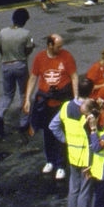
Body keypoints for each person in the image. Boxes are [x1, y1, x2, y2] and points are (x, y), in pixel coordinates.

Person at [50, 74, 95, 207]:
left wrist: (66, 140)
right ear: (90, 92)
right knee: (85, 191)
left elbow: (53, 126)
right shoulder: (89, 110)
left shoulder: (65, 106)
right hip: (87, 155)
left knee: (73, 189)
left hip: (72, 153)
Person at [28, 33, 77, 179]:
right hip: (46, 103)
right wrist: (27, 98)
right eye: (58, 46)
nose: (61, 49)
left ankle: (61, 164)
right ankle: (50, 160)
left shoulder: (67, 57)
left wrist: (75, 98)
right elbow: (33, 77)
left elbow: (74, 77)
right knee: (47, 132)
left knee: (60, 132)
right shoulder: (40, 58)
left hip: (61, 102)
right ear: (49, 45)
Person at [0, 8, 35, 140]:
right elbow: (28, 49)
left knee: (7, 94)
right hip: (20, 65)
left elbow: (0, 48)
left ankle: (1, 114)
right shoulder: (26, 34)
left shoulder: (3, 32)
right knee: (24, 93)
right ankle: (24, 122)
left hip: (6, 65)